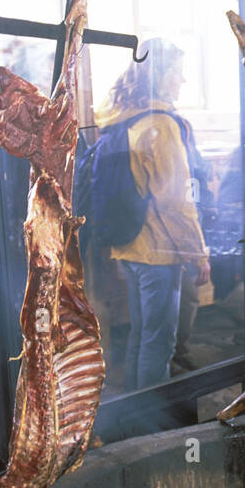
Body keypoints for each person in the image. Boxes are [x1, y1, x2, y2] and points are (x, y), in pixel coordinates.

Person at [95, 40, 211, 392]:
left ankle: (136, 409)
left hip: (129, 246)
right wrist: (198, 254)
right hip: (158, 251)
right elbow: (176, 203)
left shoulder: (123, 118)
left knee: (142, 334)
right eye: (178, 71)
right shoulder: (160, 125)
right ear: (160, 74)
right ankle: (152, 414)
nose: (183, 79)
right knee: (159, 343)